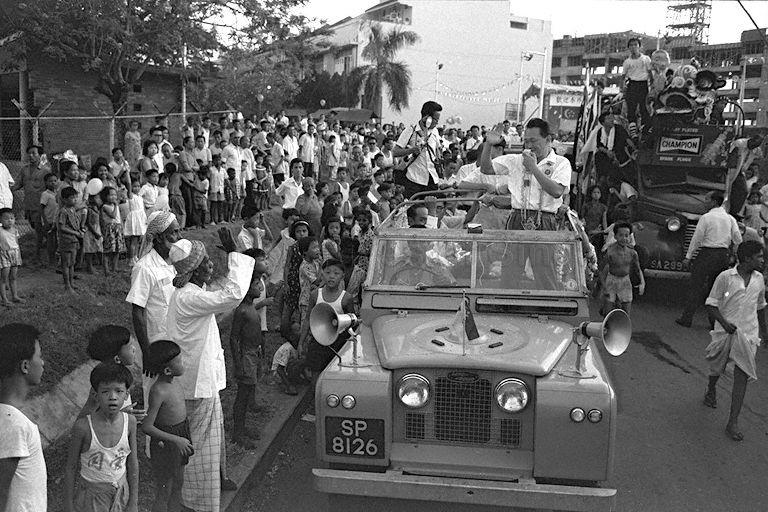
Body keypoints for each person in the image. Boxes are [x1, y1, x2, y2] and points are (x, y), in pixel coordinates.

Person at [166, 232, 254, 511]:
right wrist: (235, 255)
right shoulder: (190, 297)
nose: (211, 266)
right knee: (202, 446)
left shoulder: (189, 294)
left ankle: (202, 495)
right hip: (197, 385)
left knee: (208, 441)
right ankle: (199, 503)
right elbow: (233, 294)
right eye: (205, 262)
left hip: (197, 382)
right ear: (193, 270)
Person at [480, 118, 572, 287]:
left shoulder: (561, 163)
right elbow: (486, 168)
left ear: (548, 140)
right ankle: (508, 308)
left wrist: (534, 168)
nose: (529, 145)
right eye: (526, 141)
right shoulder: (515, 160)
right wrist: (488, 144)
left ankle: (546, 310)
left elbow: (557, 191)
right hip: (517, 218)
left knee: (545, 271)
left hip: (545, 220)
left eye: (534, 141)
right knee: (510, 270)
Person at [703, 240, 767, 442]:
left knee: (742, 375)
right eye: (759, 256)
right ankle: (711, 388)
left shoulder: (759, 280)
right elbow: (711, 305)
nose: (763, 260)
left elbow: (760, 306)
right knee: (716, 368)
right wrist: (724, 322)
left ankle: (733, 421)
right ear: (747, 258)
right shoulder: (725, 277)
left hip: (748, 335)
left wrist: (764, 334)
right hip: (725, 332)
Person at [64, 363, 138, 512]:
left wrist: (133, 502)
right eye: (105, 392)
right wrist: (68, 505)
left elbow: (132, 462)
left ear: (127, 395)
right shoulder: (83, 427)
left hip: (120, 492)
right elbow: (71, 467)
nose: (112, 397)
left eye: (119, 391)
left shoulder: (130, 423)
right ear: (95, 394)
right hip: (91, 497)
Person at [126, 211, 180, 415]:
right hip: (156, 346)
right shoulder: (144, 268)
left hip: (176, 341)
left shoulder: (174, 263)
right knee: (156, 407)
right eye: (174, 233)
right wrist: (147, 353)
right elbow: (137, 312)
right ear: (159, 237)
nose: (179, 237)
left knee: (175, 401)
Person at [229, 248, 275, 447]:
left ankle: (243, 426)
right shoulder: (242, 311)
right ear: (247, 288)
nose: (260, 287)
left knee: (248, 393)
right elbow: (233, 338)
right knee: (243, 394)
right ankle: (238, 432)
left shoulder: (251, 308)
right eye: (256, 284)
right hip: (246, 356)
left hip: (253, 353)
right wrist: (239, 364)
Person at [676, 191, 742, 328]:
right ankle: (714, 323)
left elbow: (697, 238)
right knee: (716, 290)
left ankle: (687, 318)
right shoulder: (730, 219)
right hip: (722, 256)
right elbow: (738, 238)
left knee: (696, 286)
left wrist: (688, 257)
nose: (704, 201)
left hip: (706, 254)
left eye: (707, 199)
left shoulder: (706, 217)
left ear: (713, 202)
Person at [142, 340, 193, 512]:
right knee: (165, 487)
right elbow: (147, 427)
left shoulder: (174, 382)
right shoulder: (158, 391)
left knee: (178, 481)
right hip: (167, 441)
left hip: (180, 433)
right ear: (167, 370)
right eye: (179, 361)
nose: (183, 362)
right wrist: (176, 439)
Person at [0, 323, 46, 512]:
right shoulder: (13, 424)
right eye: (40, 356)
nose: (43, 363)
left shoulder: (11, 418)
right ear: (25, 366)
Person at [300, 259, 355, 374]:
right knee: (316, 372)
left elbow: (351, 322)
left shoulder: (346, 298)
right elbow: (307, 319)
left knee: (336, 372)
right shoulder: (315, 295)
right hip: (318, 340)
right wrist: (301, 343)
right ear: (322, 274)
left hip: (339, 342)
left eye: (336, 273)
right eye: (328, 272)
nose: (331, 276)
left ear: (342, 276)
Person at [394, 101, 442, 198]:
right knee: (413, 209)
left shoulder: (435, 132)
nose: (437, 123)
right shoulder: (410, 130)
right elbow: (395, 152)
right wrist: (410, 150)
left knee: (431, 207)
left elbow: (437, 150)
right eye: (435, 120)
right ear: (427, 118)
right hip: (414, 178)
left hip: (432, 177)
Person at [11, 145, 51, 254]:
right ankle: (47, 245)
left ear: (40, 155)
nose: (31, 155)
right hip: (28, 204)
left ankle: (38, 253)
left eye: (34, 153)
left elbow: (50, 187)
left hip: (40, 205)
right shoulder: (24, 169)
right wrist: (7, 189)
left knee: (39, 229)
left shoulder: (45, 171)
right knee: (35, 227)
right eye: (29, 153)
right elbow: (18, 183)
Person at [601, 221, 644, 315]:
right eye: (621, 235)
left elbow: (637, 269)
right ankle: (606, 326)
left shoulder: (633, 253)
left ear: (630, 237)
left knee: (626, 312)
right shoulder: (610, 252)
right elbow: (603, 270)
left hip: (625, 282)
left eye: (626, 235)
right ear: (615, 236)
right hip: (611, 280)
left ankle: (622, 328)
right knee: (608, 312)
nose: (624, 238)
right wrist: (604, 286)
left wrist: (641, 283)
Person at [58, 186, 85, 293]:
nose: (75, 200)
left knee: (72, 263)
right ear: (64, 199)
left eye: (75, 197)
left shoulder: (73, 210)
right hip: (66, 240)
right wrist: (75, 233)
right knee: (66, 263)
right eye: (72, 198)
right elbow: (62, 227)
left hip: (74, 240)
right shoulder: (63, 212)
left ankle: (72, 283)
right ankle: (67, 285)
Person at [622, 37, 652, 129]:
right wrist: (622, 89)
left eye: (635, 44)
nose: (633, 47)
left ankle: (645, 129)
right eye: (631, 45)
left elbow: (650, 73)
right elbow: (623, 76)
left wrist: (652, 87)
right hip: (632, 85)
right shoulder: (627, 62)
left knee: (644, 108)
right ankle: (633, 130)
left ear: (639, 46)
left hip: (643, 85)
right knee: (631, 108)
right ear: (628, 48)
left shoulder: (646, 59)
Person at [100, 186, 125, 275]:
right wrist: (116, 205)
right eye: (111, 195)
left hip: (117, 228)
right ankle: (106, 270)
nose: (113, 197)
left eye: (115, 195)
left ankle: (114, 268)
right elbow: (113, 215)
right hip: (110, 229)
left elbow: (119, 217)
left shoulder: (114, 205)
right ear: (105, 196)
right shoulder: (105, 206)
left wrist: (121, 226)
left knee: (117, 250)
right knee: (108, 250)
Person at [0, 209, 22, 305]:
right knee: (3, 278)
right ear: (0, 220)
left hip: (15, 254)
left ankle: (15, 296)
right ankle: (4, 299)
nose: (9, 220)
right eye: (6, 218)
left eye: (12, 218)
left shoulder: (15, 230)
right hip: (4, 255)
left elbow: (17, 243)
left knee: (13, 277)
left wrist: (19, 256)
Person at [40, 172, 59, 266]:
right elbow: (41, 208)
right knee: (51, 240)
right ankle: (51, 260)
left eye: (55, 181)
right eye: (50, 181)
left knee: (57, 241)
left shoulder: (58, 193)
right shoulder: (45, 194)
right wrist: (45, 221)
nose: (53, 183)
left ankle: (57, 259)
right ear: (46, 183)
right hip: (49, 220)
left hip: (57, 220)